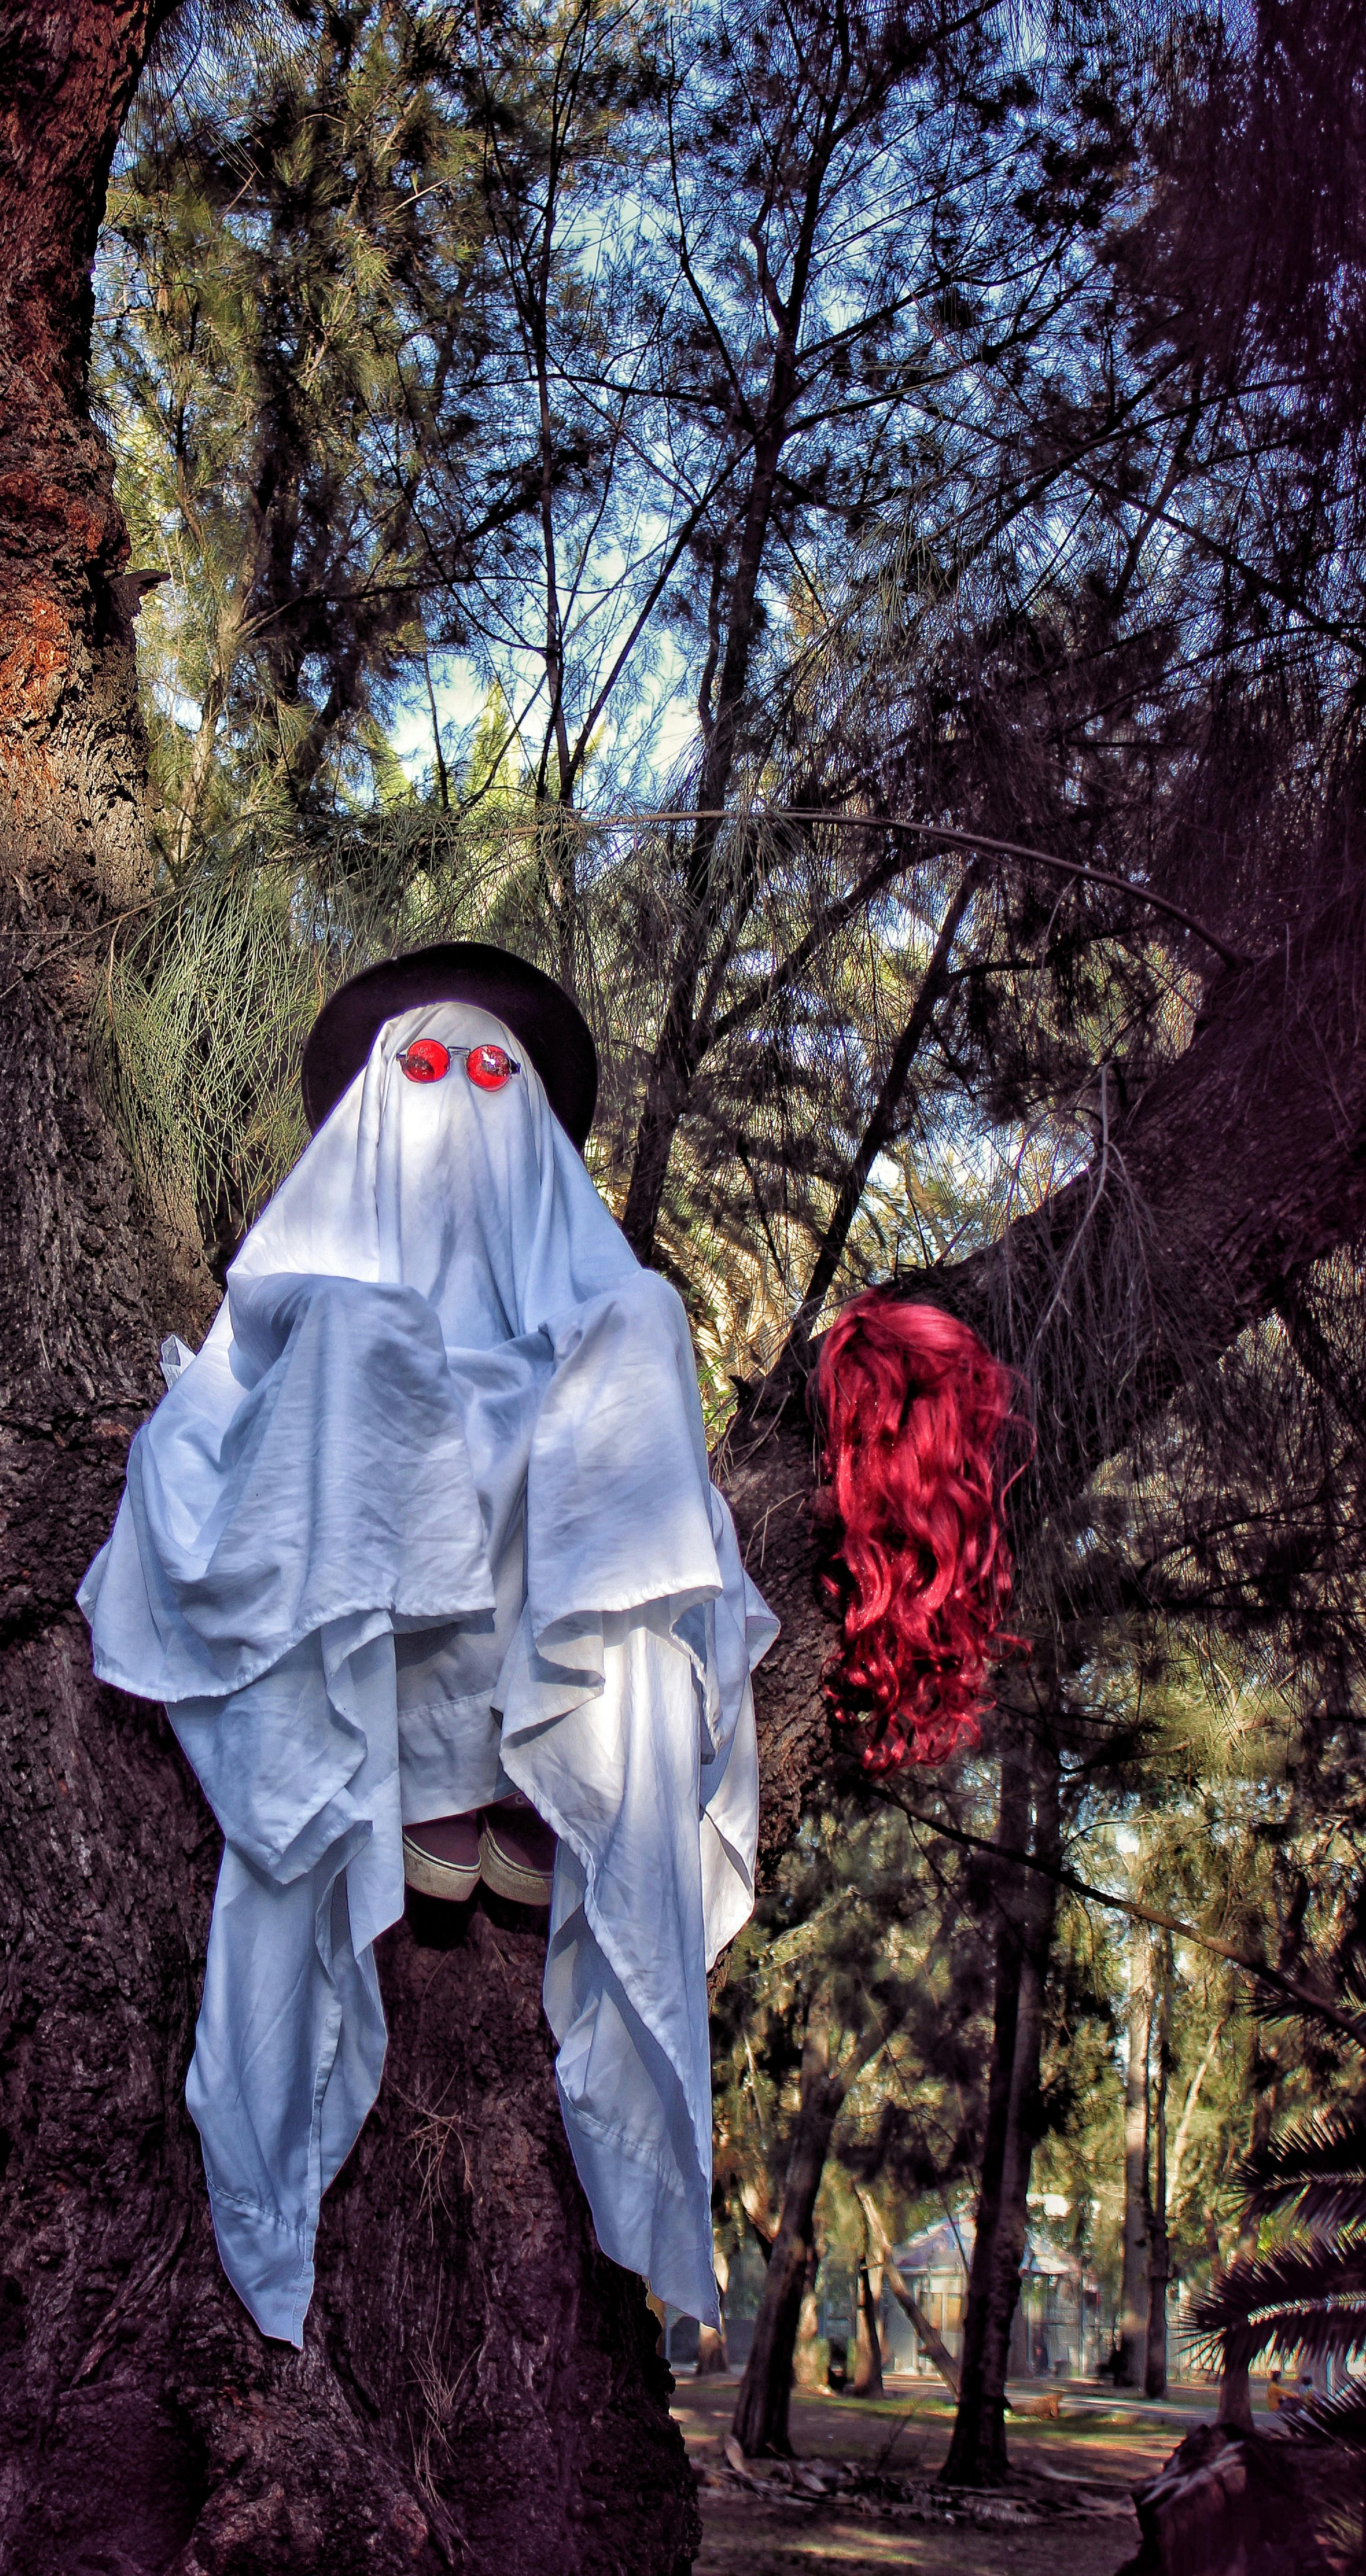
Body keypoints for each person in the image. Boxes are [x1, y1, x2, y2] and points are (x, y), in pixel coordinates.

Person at [79, 940, 1024, 2348]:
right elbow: (230, 1425)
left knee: (631, 1328)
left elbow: (650, 1514)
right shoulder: (317, 1294)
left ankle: (546, 1787)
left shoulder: (606, 1311)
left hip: (552, 1669)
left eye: (486, 1073)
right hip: (381, 1652)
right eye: (425, 1071)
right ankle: (424, 1790)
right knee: (355, 1350)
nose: (458, 1098)